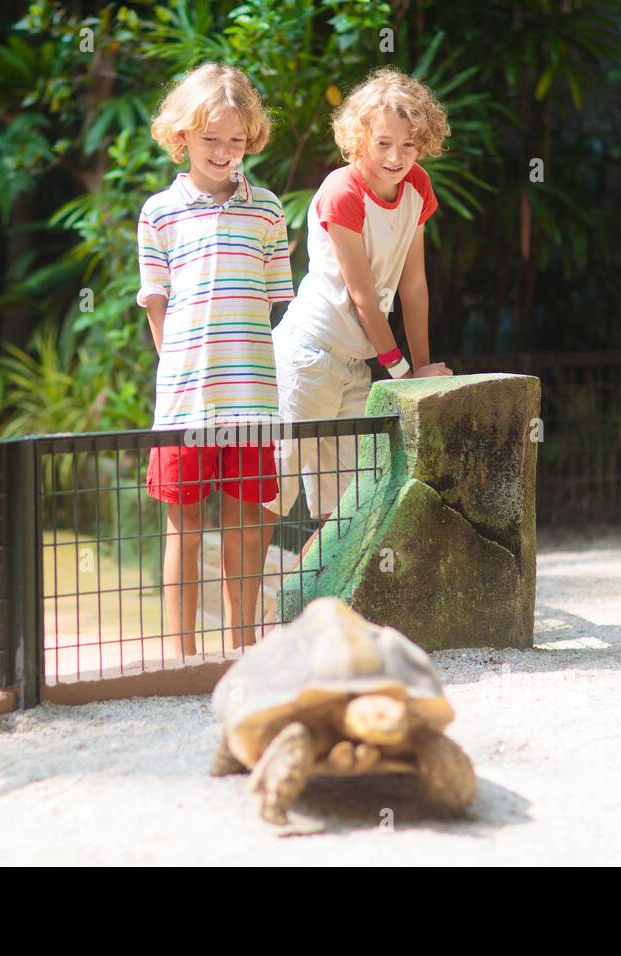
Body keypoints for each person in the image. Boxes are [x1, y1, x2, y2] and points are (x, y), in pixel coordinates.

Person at [136, 63, 294, 656]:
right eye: (211, 140)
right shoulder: (159, 213)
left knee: (248, 524)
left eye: (236, 140)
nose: (225, 152)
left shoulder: (268, 210)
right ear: (182, 137)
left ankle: (243, 652)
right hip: (184, 400)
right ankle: (181, 659)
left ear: (250, 139)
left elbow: (278, 303)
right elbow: (157, 307)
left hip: (252, 397)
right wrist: (184, 372)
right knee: (183, 527)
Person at [266, 66, 453, 530]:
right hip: (306, 357)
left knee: (345, 518)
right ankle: (250, 609)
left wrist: (422, 371)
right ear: (359, 137)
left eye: (409, 144)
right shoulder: (342, 190)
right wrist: (403, 374)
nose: (397, 156)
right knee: (270, 500)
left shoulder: (417, 188)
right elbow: (363, 295)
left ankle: (322, 607)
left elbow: (414, 285)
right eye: (384, 142)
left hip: (354, 365)